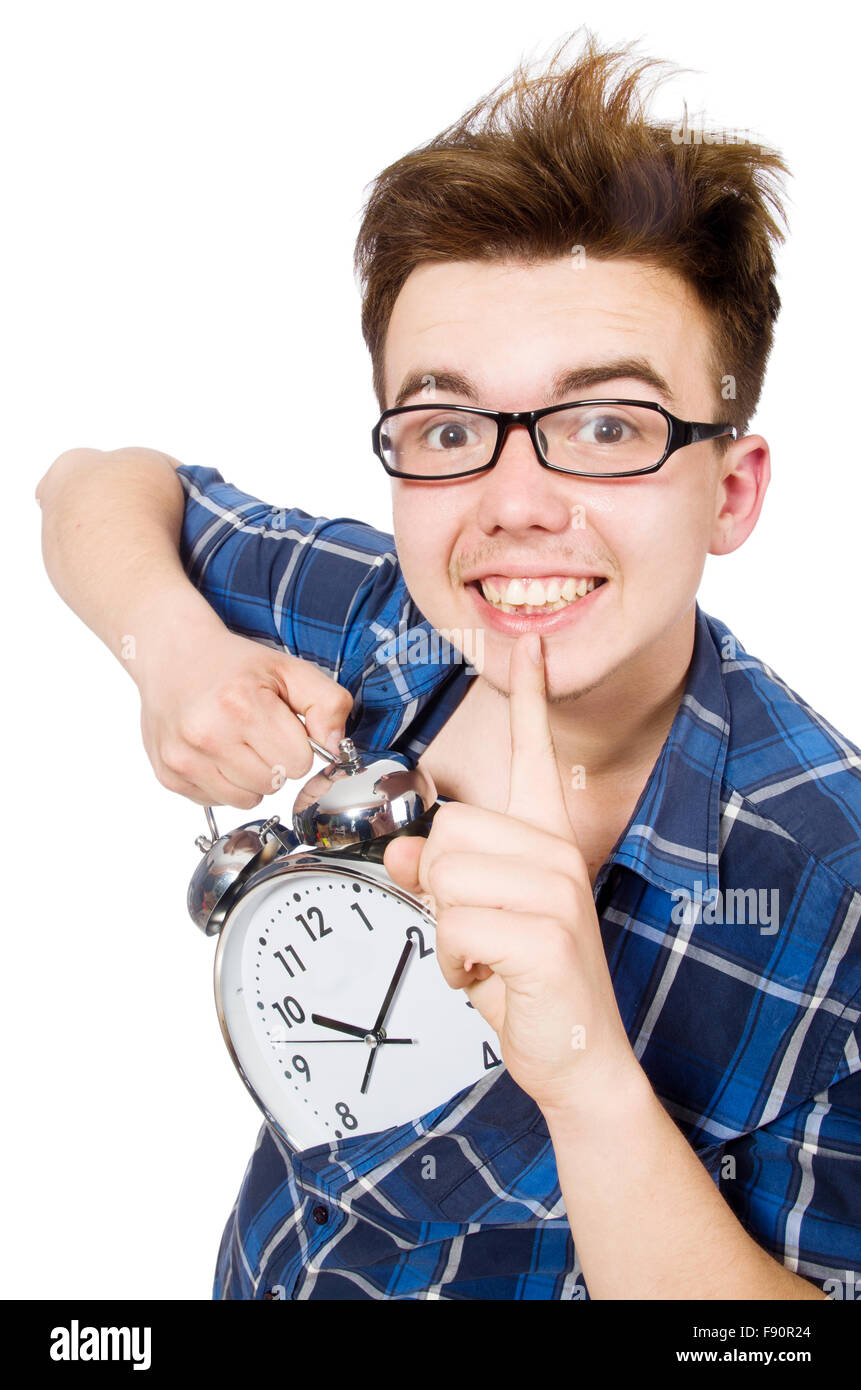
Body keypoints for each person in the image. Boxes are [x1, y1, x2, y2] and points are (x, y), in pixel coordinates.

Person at [36, 32, 860, 1300]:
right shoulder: (386, 625)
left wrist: (586, 1073)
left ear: (731, 491)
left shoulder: (832, 891)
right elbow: (92, 484)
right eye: (450, 426)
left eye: (605, 425)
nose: (516, 501)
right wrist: (174, 646)